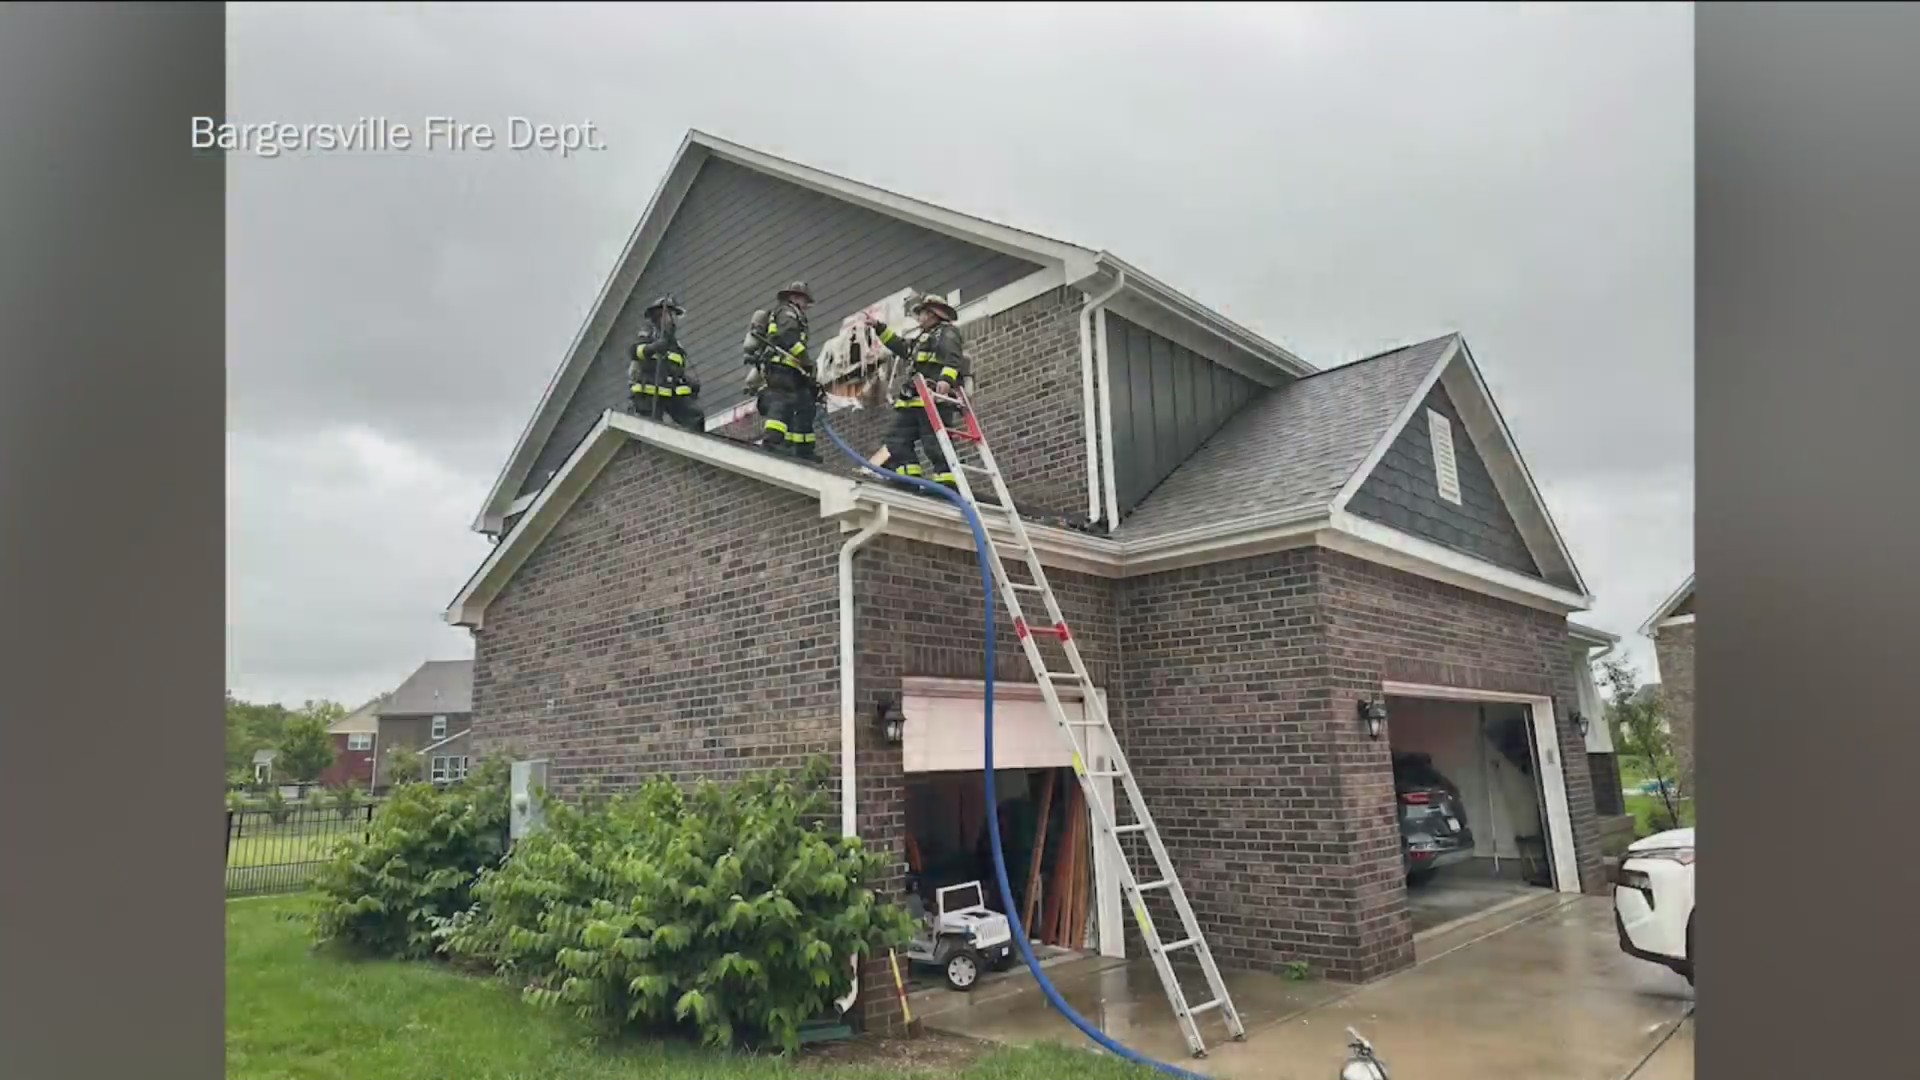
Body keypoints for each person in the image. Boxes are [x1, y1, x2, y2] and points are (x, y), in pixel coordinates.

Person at [865, 292, 966, 489]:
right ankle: (908, 480)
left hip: (933, 400)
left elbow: (953, 358)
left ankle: (947, 486)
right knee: (896, 439)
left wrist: (946, 379)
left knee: (934, 444)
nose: (918, 318)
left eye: (921, 314)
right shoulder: (922, 338)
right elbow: (902, 347)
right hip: (912, 401)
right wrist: (879, 328)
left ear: (933, 314)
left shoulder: (947, 333)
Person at [754, 280, 821, 462]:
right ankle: (772, 442)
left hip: (794, 370)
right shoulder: (787, 312)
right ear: (794, 297)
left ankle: (803, 450)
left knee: (805, 404)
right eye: (804, 300)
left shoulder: (797, 315)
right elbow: (788, 337)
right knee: (781, 402)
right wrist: (806, 361)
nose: (807, 305)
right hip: (780, 367)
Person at [627, 294, 703, 432]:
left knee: (695, 417)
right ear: (659, 316)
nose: (674, 320)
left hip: (669, 393)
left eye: (675, 316)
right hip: (648, 394)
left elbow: (675, 370)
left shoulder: (676, 345)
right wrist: (653, 347)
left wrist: (688, 382)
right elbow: (635, 351)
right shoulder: (649, 333)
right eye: (671, 315)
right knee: (651, 430)